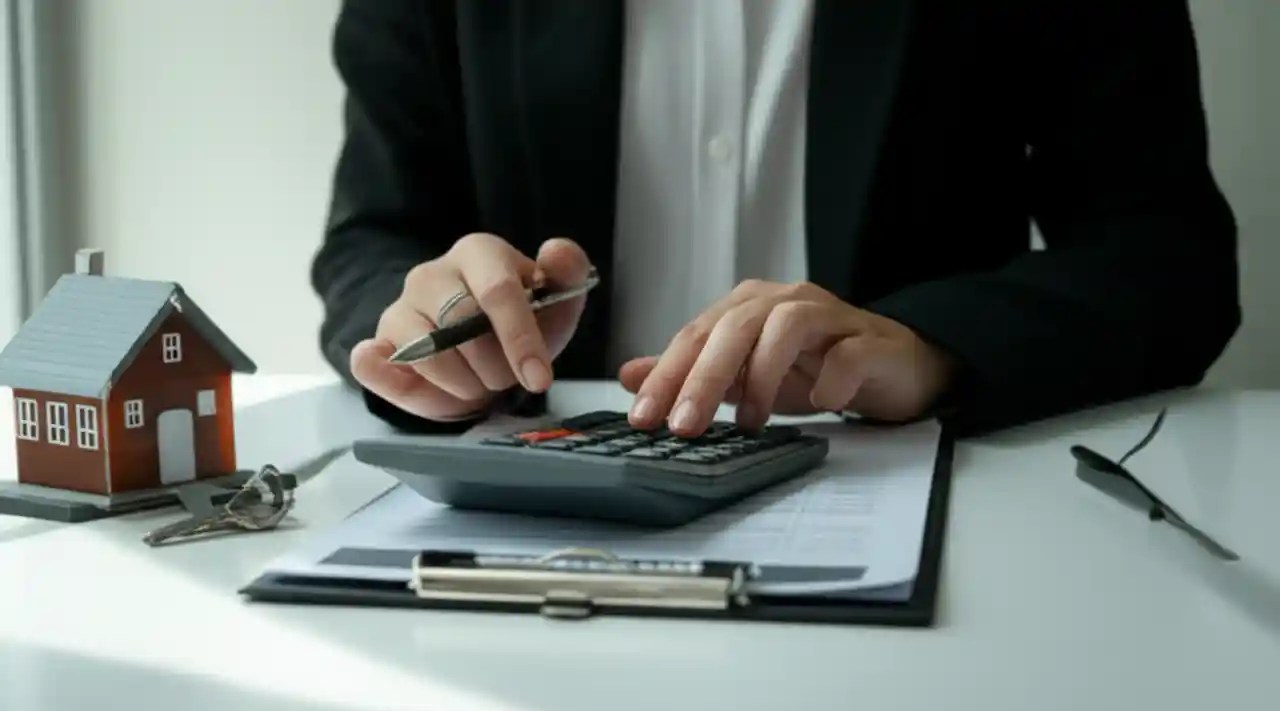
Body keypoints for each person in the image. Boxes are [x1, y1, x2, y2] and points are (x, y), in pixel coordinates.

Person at [311, 0, 1240, 439]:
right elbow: (373, 241)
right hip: (531, 503)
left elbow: (1169, 258)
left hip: (932, 497)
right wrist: (427, 336)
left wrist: (935, 348)